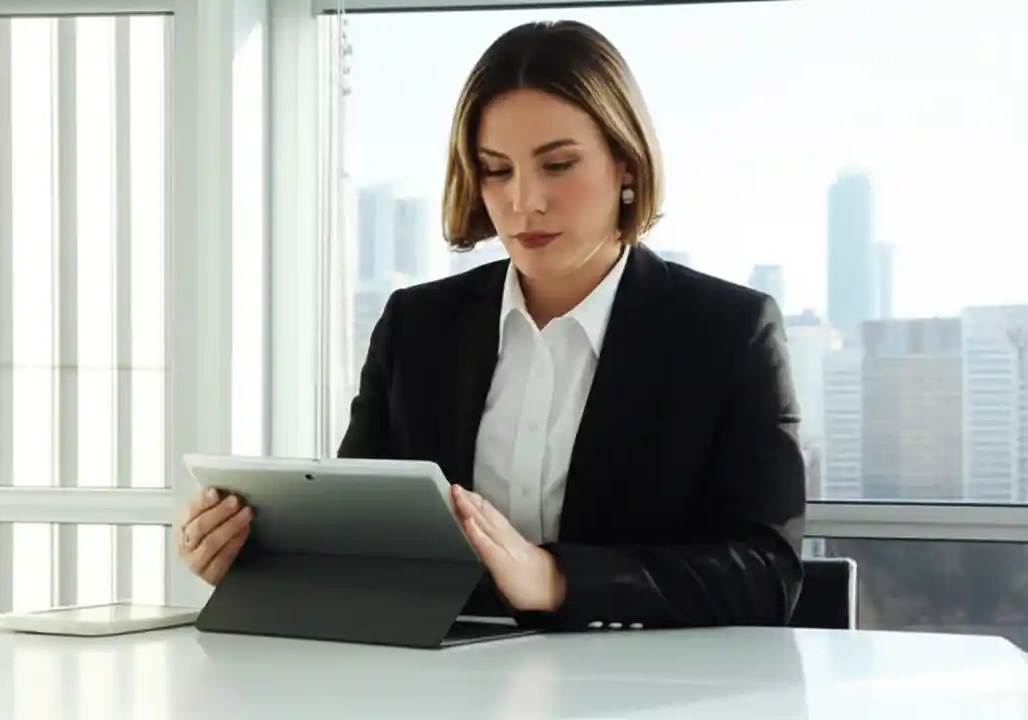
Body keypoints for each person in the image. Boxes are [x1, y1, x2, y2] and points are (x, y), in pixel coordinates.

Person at [175, 20, 805, 631]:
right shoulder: (416, 327)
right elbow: (361, 545)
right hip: (445, 687)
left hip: (642, 693)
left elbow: (765, 574)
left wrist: (556, 579)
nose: (522, 200)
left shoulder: (727, 333)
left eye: (557, 165)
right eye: (496, 169)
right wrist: (256, 562)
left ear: (628, 166)